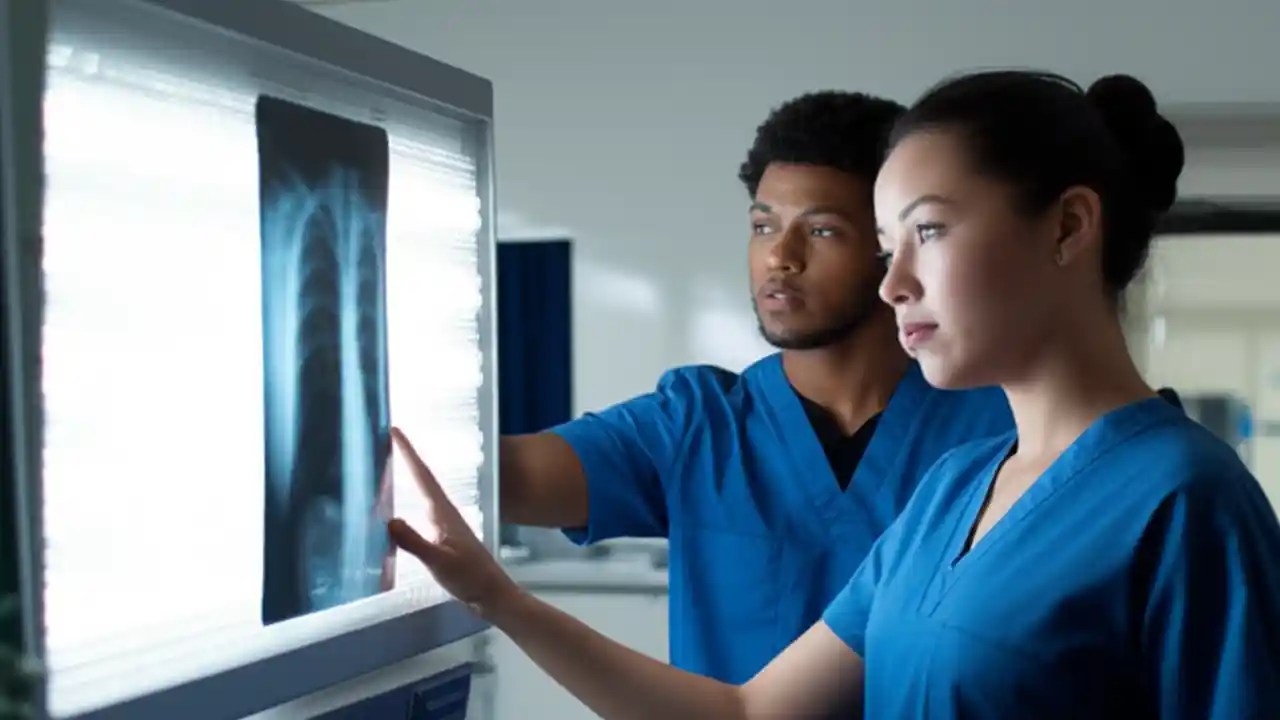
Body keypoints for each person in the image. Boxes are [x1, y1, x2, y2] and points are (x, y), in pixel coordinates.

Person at [388, 70, 1280, 719]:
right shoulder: (958, 488)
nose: (895, 283)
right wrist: (496, 598)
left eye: (926, 231)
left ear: (1070, 227)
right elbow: (748, 715)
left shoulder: (1181, 499)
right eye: (892, 242)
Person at [495, 90, 1016, 682]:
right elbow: (504, 477)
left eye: (821, 231)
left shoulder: (1000, 432)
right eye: (763, 226)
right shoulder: (695, 425)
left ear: (890, 246)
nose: (780, 257)